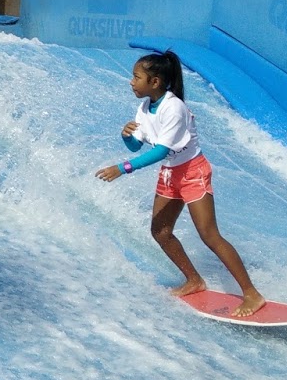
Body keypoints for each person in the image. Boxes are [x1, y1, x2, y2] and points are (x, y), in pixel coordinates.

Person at [95, 50, 267, 318]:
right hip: (170, 173)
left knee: (209, 235)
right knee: (161, 231)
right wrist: (126, 136)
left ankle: (252, 294)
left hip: (192, 172)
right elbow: (137, 145)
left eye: (136, 77)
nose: (131, 81)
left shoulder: (173, 108)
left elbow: (161, 150)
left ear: (155, 81)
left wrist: (122, 169)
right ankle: (194, 281)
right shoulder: (145, 106)